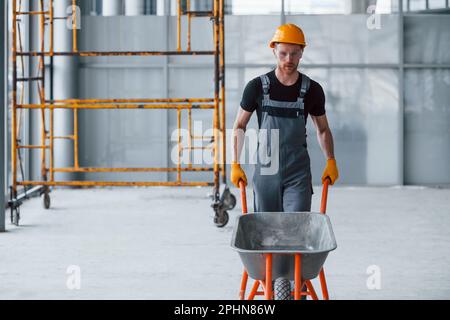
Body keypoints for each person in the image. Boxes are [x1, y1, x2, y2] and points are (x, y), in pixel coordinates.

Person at [230, 23, 339, 213]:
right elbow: (240, 124)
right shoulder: (256, 87)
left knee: (296, 228)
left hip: (298, 172)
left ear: (302, 51)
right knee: (266, 231)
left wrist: (331, 160)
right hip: (266, 171)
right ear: (274, 50)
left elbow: (322, 129)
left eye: (294, 53)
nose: (289, 59)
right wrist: (235, 163)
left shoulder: (312, 90)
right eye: (283, 53)